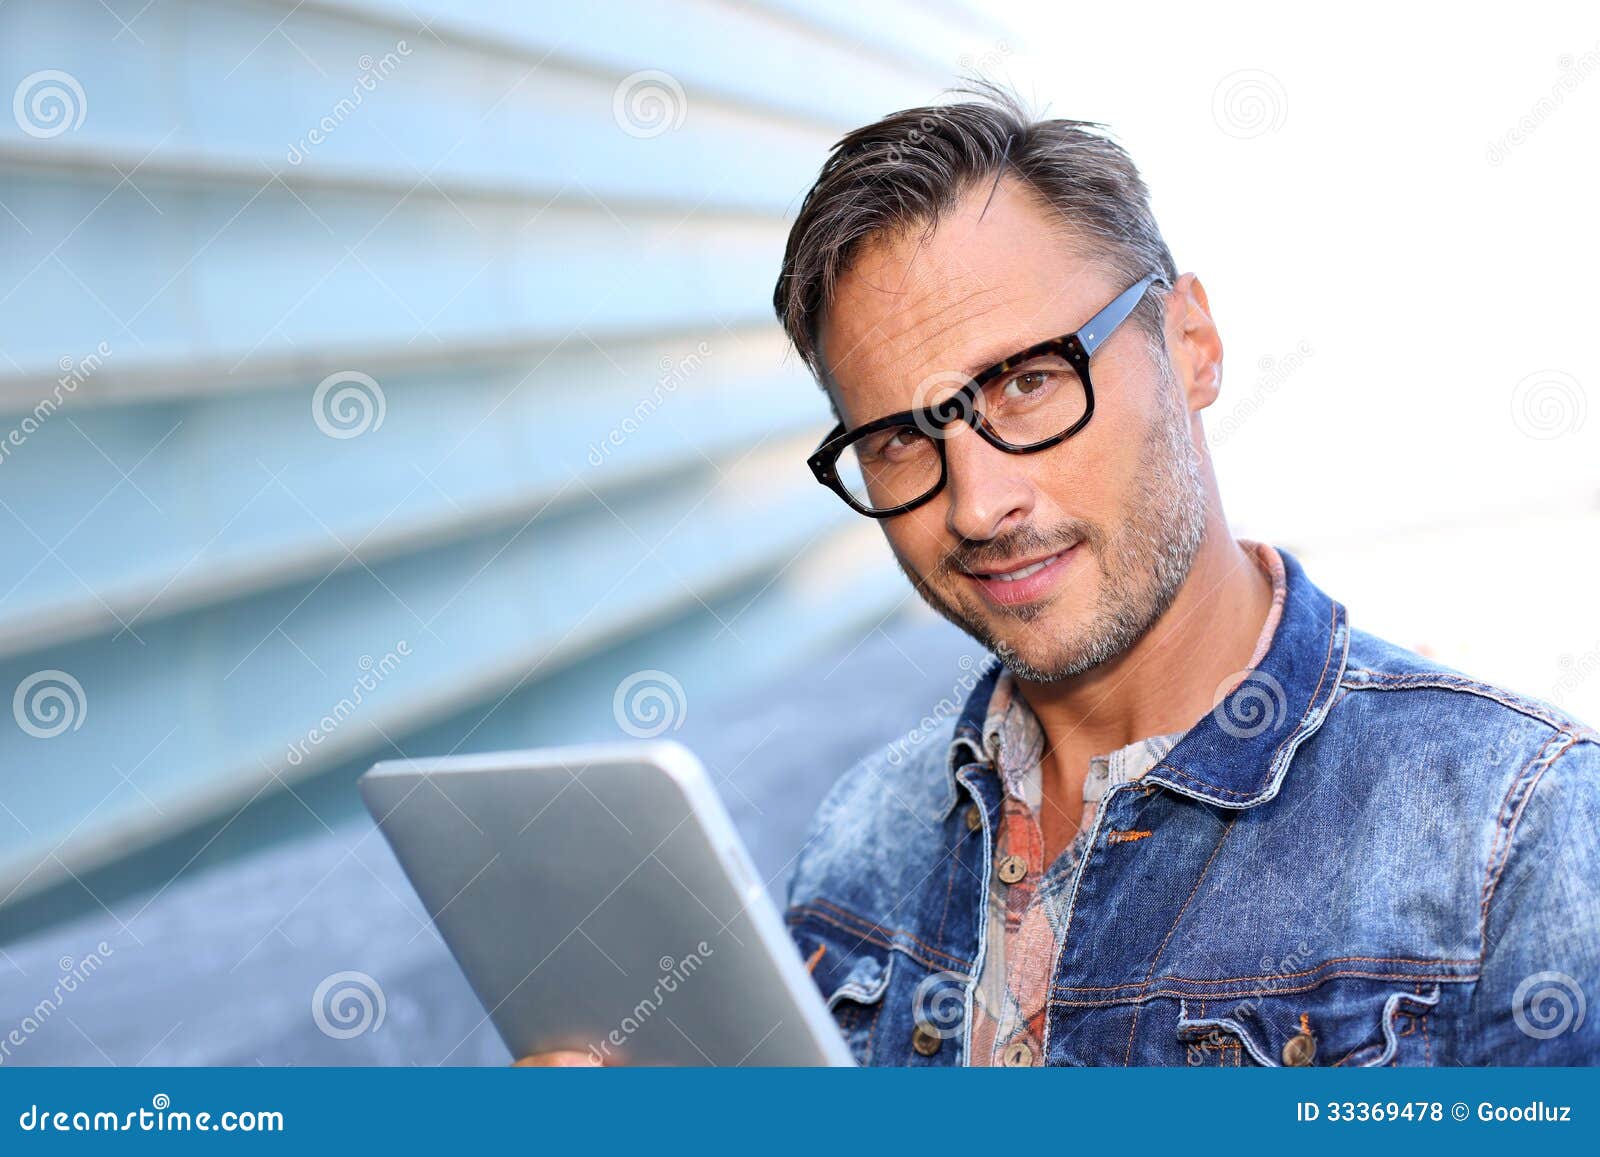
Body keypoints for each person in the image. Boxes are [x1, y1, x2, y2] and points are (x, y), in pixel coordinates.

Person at [525, 82, 1599, 1068]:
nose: (976, 503)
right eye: (899, 438)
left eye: (1029, 382)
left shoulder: (1517, 831)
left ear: (1191, 343)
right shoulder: (863, 835)